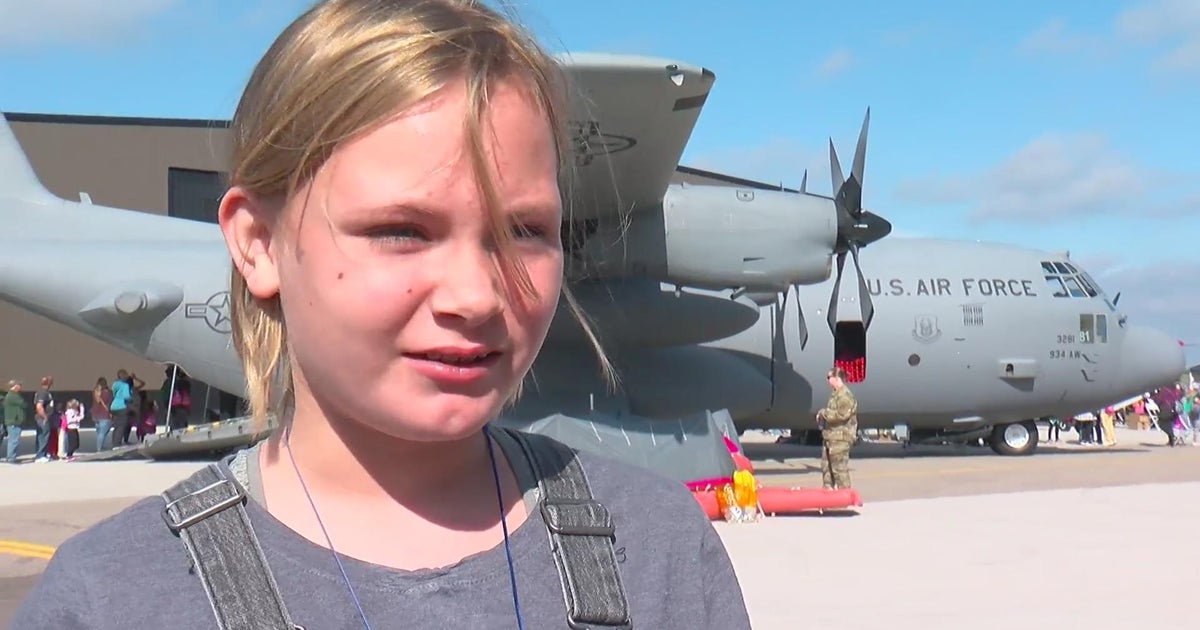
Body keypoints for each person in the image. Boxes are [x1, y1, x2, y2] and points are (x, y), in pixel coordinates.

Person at [10, 2, 751, 628]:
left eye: (525, 231)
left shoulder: (658, 559)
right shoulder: (115, 601)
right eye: (401, 230)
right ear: (258, 244)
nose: (476, 296)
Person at [816, 366, 858, 489]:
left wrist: (823, 413)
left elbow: (842, 415)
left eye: (829, 377)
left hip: (840, 438)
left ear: (837, 378)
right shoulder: (835, 394)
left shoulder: (845, 395)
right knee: (827, 468)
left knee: (839, 470)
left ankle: (845, 494)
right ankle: (828, 493)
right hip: (830, 437)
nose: (827, 380)